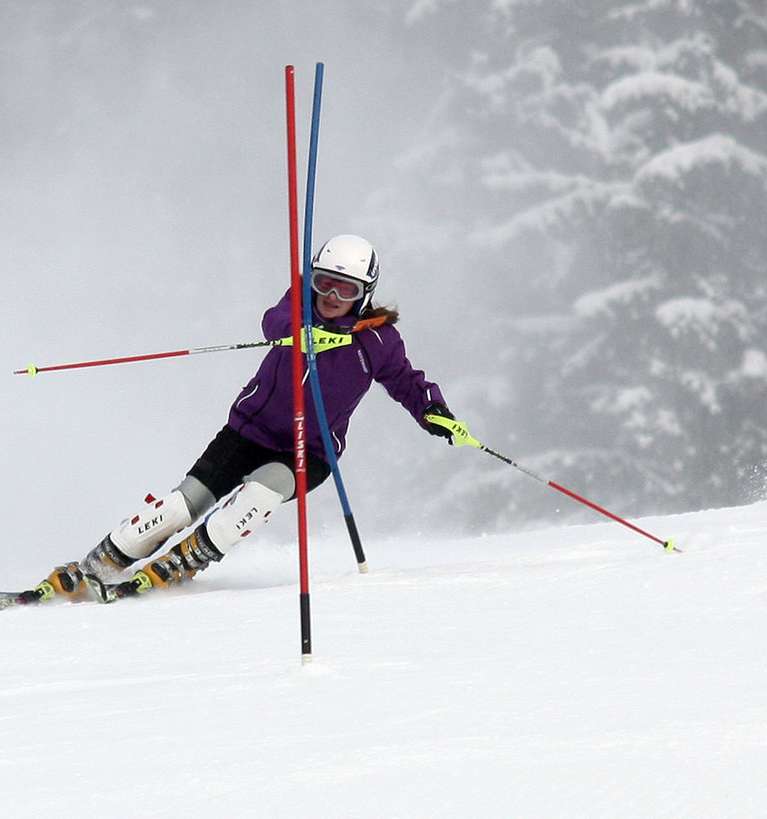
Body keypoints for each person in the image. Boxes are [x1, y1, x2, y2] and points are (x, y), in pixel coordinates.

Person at [35, 234, 457, 604]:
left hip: (307, 450)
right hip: (249, 429)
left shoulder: (378, 341)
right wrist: (300, 330)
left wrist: (432, 410)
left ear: (364, 293)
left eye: (345, 289)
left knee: (259, 494)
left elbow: (406, 382)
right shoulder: (300, 306)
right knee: (184, 504)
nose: (330, 296)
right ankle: (99, 564)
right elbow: (274, 321)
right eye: (322, 283)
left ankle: (185, 560)